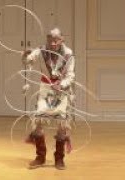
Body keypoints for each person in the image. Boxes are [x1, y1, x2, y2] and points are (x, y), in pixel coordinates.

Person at [22, 28, 75, 170]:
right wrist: (27, 56)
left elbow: (70, 75)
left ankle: (59, 158)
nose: (53, 43)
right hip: (45, 88)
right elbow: (29, 59)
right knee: (38, 121)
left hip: (61, 91)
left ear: (62, 39)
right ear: (47, 40)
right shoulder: (41, 50)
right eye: (50, 40)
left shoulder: (68, 54)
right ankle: (40, 157)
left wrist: (62, 84)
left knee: (62, 124)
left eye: (56, 40)